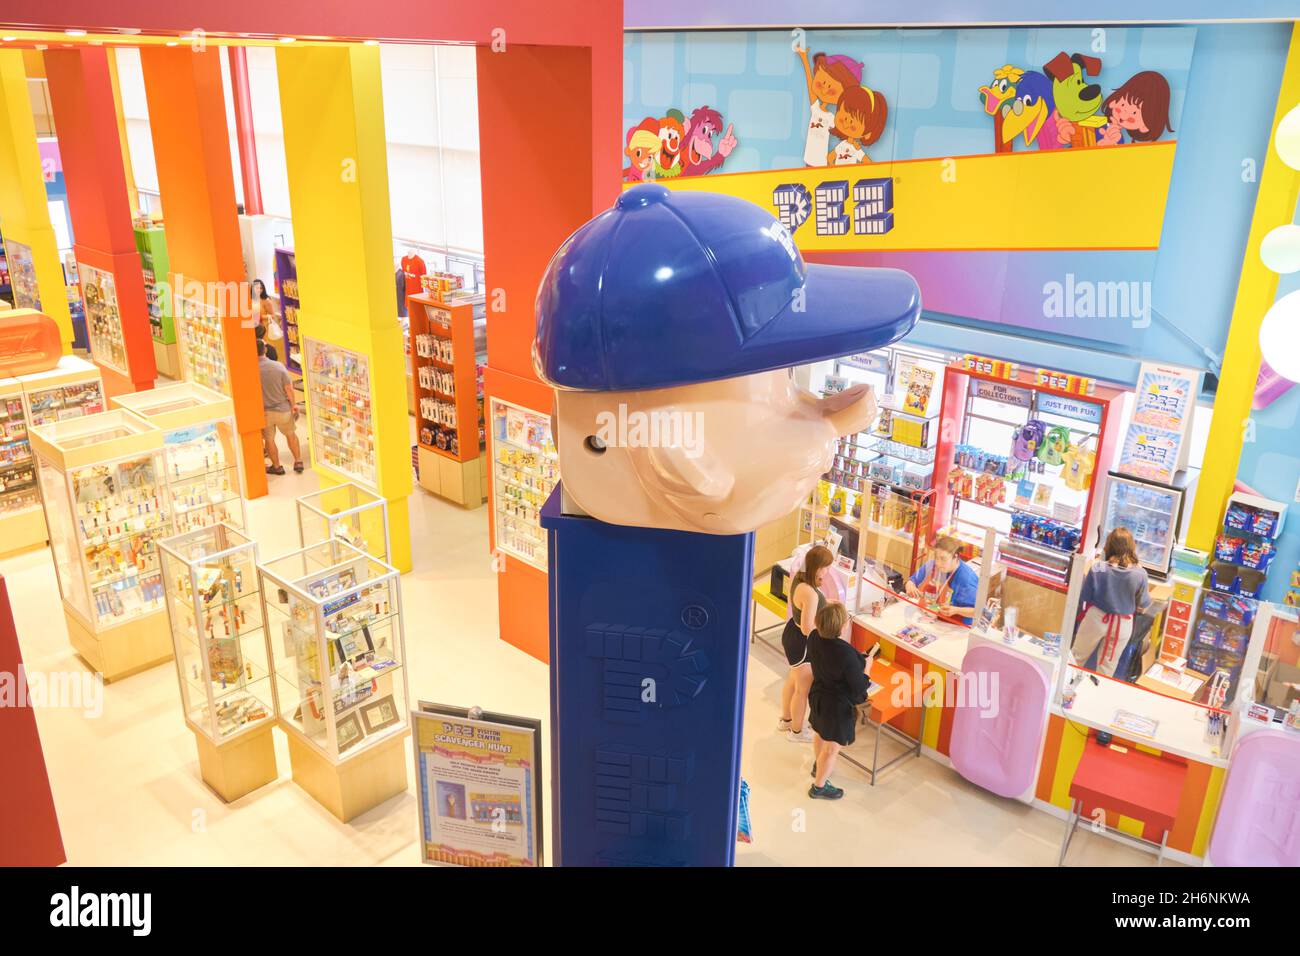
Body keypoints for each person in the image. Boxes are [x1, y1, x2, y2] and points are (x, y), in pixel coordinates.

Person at [807, 601, 870, 800]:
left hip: (818, 697)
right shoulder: (847, 654)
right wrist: (867, 668)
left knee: (820, 732)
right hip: (837, 706)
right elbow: (859, 686)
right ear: (842, 627)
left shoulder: (814, 637)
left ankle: (819, 765)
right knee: (832, 747)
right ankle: (819, 786)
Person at [1072, 527, 1152, 678]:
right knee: (1107, 669)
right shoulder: (1140, 574)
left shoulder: (1099, 567)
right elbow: (1144, 603)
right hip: (1123, 624)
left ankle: (1065, 693)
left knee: (1076, 658)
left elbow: (1085, 596)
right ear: (1131, 547)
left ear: (1108, 546)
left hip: (1096, 618)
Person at [778, 545, 834, 743]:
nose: (827, 572)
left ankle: (786, 720)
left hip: (791, 635)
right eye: (826, 567)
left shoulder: (799, 580)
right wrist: (825, 634)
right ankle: (796, 732)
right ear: (817, 567)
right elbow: (806, 628)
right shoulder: (810, 592)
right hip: (802, 643)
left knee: (793, 680)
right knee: (802, 689)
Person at [905, 535, 979, 625]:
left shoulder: (967, 579)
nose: (938, 563)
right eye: (936, 557)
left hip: (955, 627)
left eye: (943, 559)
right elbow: (911, 580)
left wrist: (956, 610)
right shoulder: (932, 565)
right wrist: (910, 586)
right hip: (933, 617)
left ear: (955, 557)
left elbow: (978, 612)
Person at [258, 339, 303, 475]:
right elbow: (288, 388)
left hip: (265, 412)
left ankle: (277, 466)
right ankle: (298, 461)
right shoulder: (278, 366)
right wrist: (293, 404)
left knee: (269, 440)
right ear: (265, 350)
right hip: (283, 410)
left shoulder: (251, 369)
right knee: (291, 435)